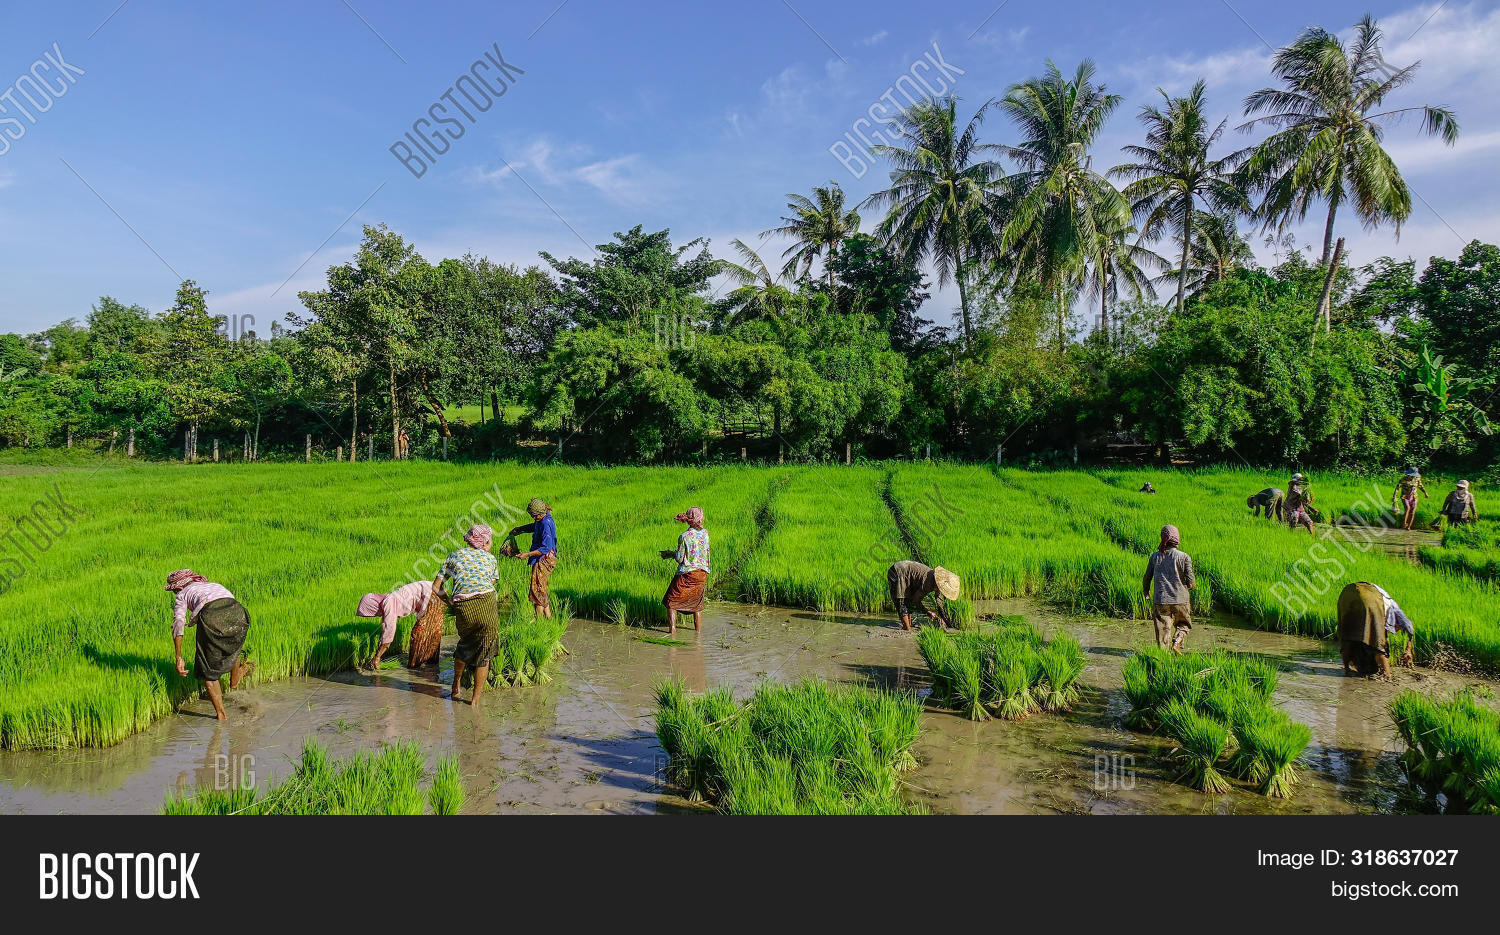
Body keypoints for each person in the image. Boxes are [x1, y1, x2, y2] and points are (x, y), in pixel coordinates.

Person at [166, 569, 254, 721]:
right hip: (240, 613)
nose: (175, 593)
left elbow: (179, 623)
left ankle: (221, 716)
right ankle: (234, 681)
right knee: (232, 647)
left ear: (179, 587)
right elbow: (229, 605)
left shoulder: (182, 594)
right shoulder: (214, 585)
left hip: (211, 616)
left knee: (208, 671)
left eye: (173, 590)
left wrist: (178, 656)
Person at [433, 525, 500, 705]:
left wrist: (450, 602)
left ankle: (456, 685)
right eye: (490, 540)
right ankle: (475, 701)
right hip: (486, 605)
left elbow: (436, 587)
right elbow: (490, 583)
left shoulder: (454, 556)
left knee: (465, 644)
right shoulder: (491, 559)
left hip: (464, 607)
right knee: (485, 653)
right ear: (485, 542)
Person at [1337, 581, 1415, 679]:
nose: (1395, 631)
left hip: (1347, 593)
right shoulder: (1393, 607)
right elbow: (1409, 626)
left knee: (1348, 637)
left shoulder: (1385, 607)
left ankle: (1347, 669)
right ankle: (1388, 676)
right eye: (1397, 628)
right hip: (1370, 596)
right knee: (1379, 646)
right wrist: (1408, 650)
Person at [354, 580, 435, 670]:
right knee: (427, 631)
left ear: (373, 607)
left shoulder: (388, 603)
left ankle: (422, 666)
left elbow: (389, 632)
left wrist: (377, 657)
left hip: (430, 592)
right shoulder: (388, 600)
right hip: (429, 589)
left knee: (419, 633)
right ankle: (427, 664)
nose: (375, 615)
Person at [1142, 525, 1195, 653]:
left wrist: (1146, 591)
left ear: (1163, 538)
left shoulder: (1155, 557)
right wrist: (1189, 586)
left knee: (1162, 629)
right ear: (1176, 538)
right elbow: (1191, 582)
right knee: (1184, 624)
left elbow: (1147, 577)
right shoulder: (1184, 557)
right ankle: (1177, 642)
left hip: (1160, 600)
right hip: (1180, 599)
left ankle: (1163, 656)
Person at [660, 507, 710, 636]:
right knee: (697, 604)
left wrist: (670, 554)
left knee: (671, 602)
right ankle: (698, 635)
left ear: (688, 519)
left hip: (687, 574)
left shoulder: (684, 536)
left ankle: (672, 633)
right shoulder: (705, 533)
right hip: (702, 574)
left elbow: (680, 558)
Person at [508, 498, 558, 619]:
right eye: (532, 515)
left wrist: (527, 554)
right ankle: (549, 618)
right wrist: (520, 529)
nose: (533, 518)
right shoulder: (543, 519)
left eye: (535, 516)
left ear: (541, 513)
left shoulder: (546, 523)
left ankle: (539, 620)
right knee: (542, 587)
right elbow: (535, 526)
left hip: (544, 560)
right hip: (542, 559)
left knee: (537, 590)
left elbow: (546, 547)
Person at [886, 560, 960, 631]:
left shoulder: (939, 583)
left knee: (909, 600)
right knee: (901, 602)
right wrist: (928, 612)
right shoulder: (928, 583)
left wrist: (944, 618)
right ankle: (907, 629)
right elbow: (916, 601)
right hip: (898, 572)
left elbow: (939, 602)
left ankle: (909, 624)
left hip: (907, 573)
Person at [1392, 467, 1428, 531]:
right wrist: (1395, 496)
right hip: (1405, 496)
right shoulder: (1403, 479)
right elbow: (1397, 488)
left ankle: (1409, 526)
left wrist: (1425, 492)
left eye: (1414, 475)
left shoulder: (1417, 479)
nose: (1413, 477)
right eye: (1411, 475)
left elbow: (1420, 486)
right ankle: (1404, 523)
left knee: (1413, 511)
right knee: (1407, 508)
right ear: (1409, 474)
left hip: (1414, 497)